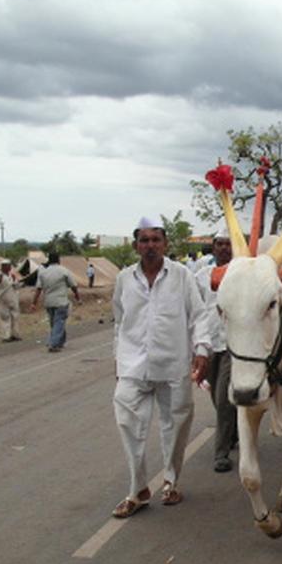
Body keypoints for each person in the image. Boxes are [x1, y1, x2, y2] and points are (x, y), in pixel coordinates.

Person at [110, 216, 212, 518]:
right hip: (133, 364)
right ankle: (137, 489)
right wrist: (118, 356)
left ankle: (170, 481)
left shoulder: (181, 275)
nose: (150, 245)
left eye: (156, 240)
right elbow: (119, 320)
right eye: (145, 240)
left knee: (176, 424)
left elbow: (199, 314)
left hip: (173, 362)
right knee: (127, 421)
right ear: (135, 245)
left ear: (165, 244)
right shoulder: (124, 279)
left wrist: (202, 349)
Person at [195, 229, 238, 473]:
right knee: (216, 397)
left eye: (228, 244)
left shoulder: (242, 274)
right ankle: (232, 431)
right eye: (219, 244)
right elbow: (194, 311)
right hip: (208, 344)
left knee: (223, 399)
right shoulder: (201, 276)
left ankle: (220, 454)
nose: (223, 248)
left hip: (234, 344)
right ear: (213, 247)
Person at [31, 251, 80, 352]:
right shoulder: (64, 271)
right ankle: (53, 344)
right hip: (61, 301)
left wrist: (34, 303)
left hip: (48, 302)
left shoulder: (43, 272)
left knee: (55, 323)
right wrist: (77, 297)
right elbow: (73, 286)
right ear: (58, 260)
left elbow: (38, 289)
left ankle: (60, 341)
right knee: (59, 322)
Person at [0, 259, 22, 342]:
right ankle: (6, 336)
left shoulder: (11, 275)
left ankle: (15, 335)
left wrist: (15, 281)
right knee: (4, 318)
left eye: (10, 266)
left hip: (13, 300)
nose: (9, 267)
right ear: (3, 267)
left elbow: (17, 286)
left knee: (15, 317)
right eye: (8, 266)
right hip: (2, 301)